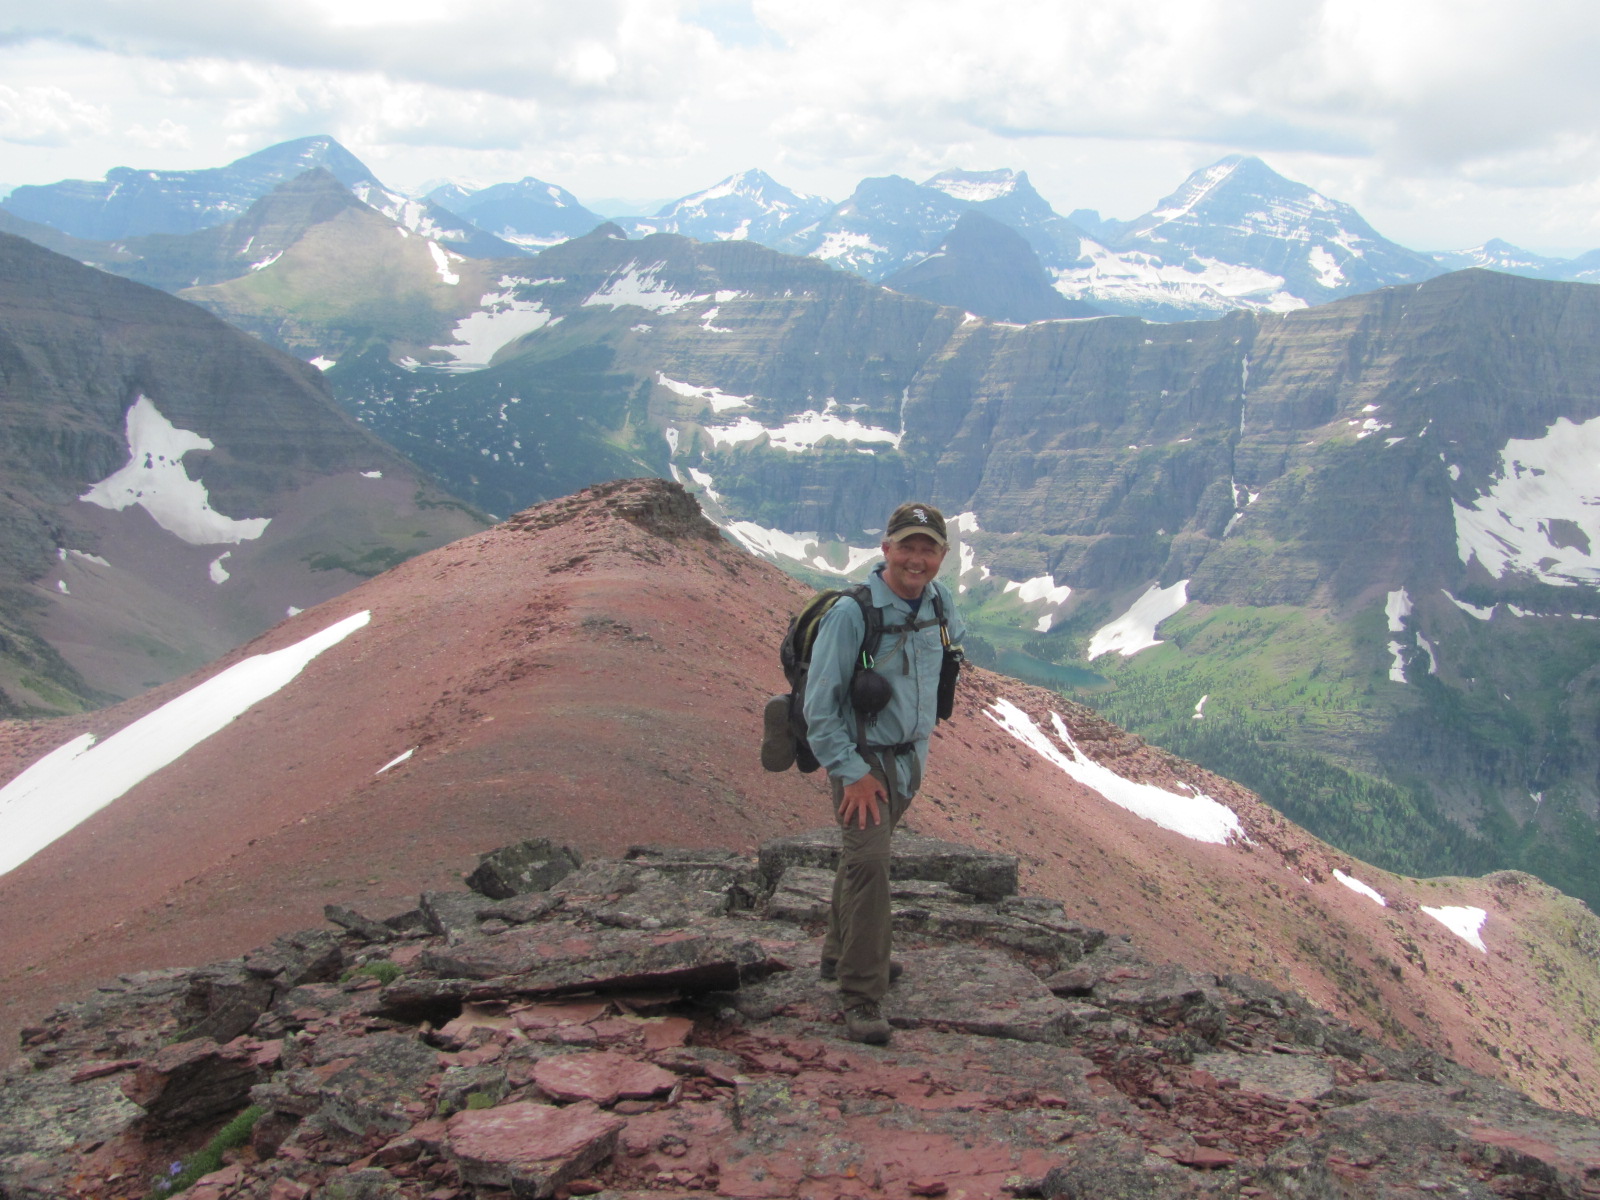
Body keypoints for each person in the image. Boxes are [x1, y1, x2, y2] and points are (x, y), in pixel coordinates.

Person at [802, 501, 964, 1045]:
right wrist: (851, 771)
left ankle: (838, 955)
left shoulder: (939, 604)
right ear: (886, 548)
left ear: (942, 554)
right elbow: (819, 708)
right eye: (908, 546)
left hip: (909, 760)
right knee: (871, 864)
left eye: (929, 548)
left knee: (860, 860)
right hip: (862, 760)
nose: (917, 559)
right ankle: (862, 992)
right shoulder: (853, 614)